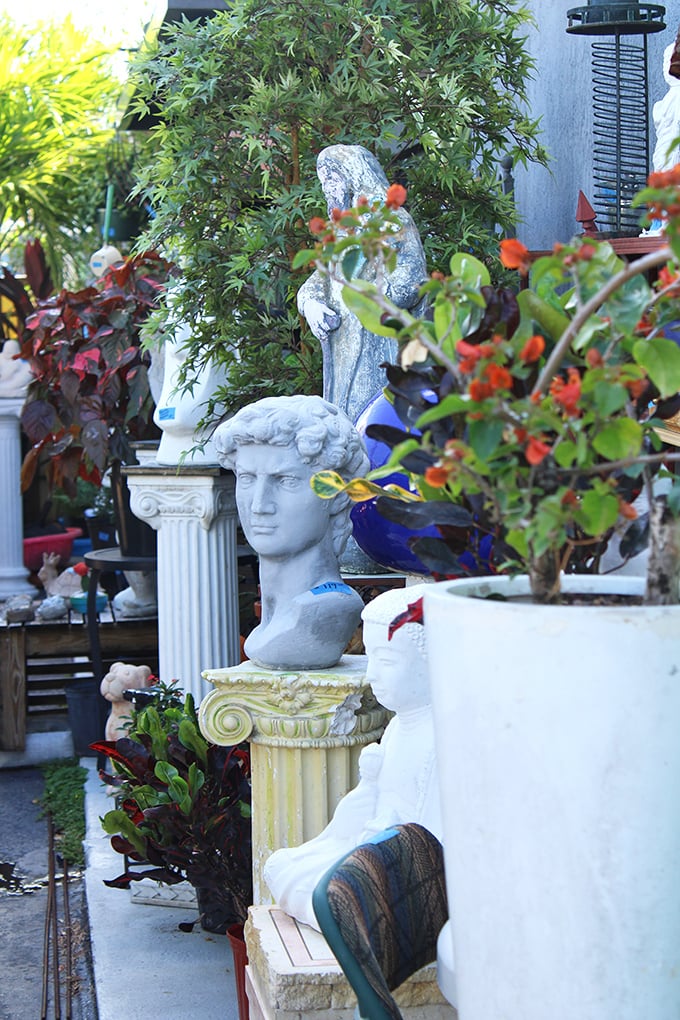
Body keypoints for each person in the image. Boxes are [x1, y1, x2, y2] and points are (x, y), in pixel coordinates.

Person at [263, 583, 441, 930]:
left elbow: (432, 840)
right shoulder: (396, 729)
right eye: (370, 657)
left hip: (404, 871)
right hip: (369, 849)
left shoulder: (442, 741)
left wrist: (379, 835)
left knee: (327, 895)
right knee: (280, 866)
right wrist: (359, 805)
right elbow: (371, 808)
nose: (371, 675)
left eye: (386, 661)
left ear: (434, 661)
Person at [214, 394, 369, 670]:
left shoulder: (327, 610)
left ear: (337, 495)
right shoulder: (273, 623)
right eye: (247, 479)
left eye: (285, 481)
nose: (259, 505)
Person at [297, 145, 427, 424]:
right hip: (344, 344)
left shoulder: (390, 220)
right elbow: (322, 277)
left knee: (376, 422)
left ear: (353, 176)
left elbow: (412, 276)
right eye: (323, 182)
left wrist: (371, 300)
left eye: (332, 179)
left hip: (379, 341)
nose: (327, 189)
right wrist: (310, 303)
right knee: (346, 424)